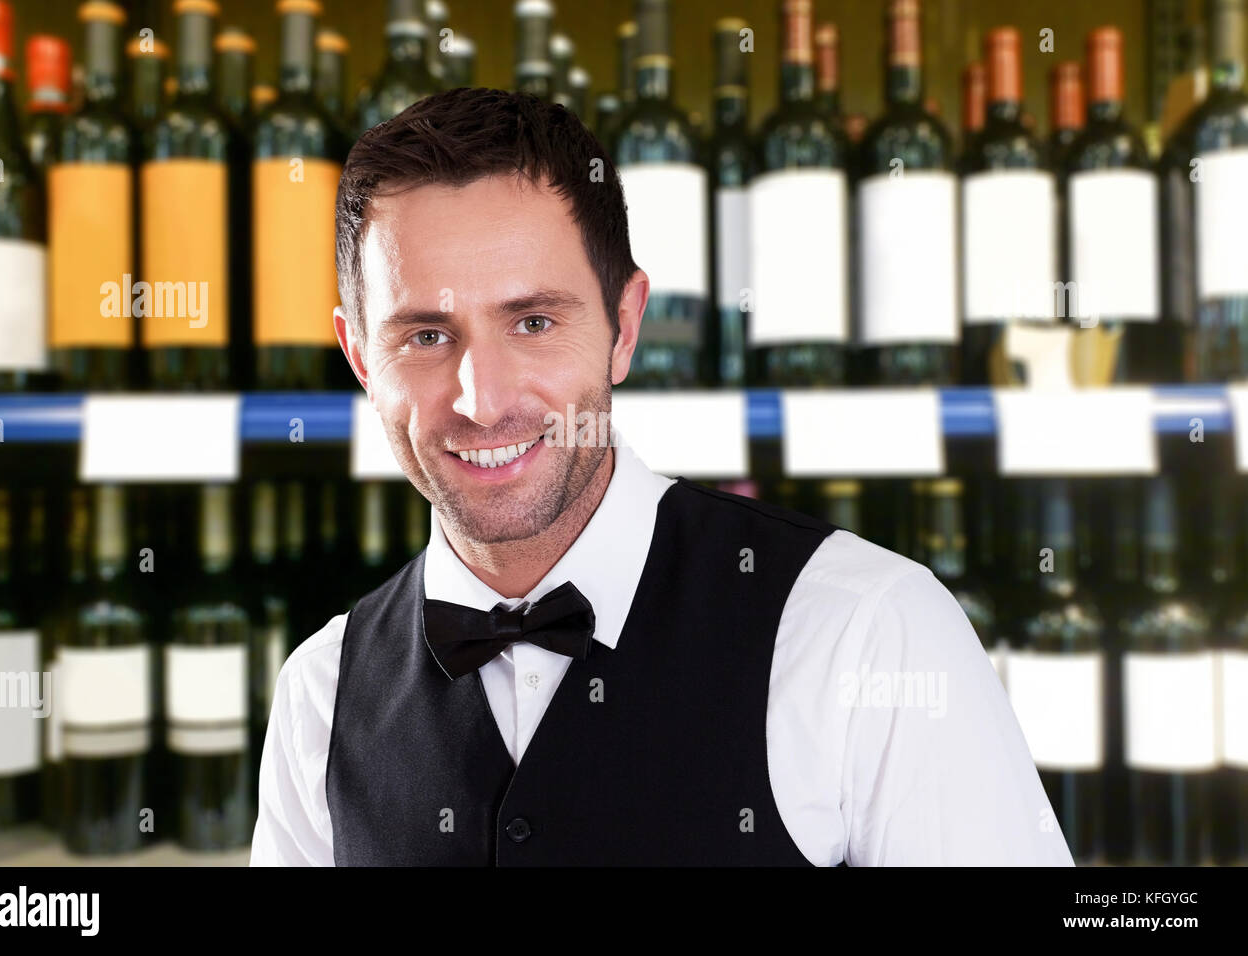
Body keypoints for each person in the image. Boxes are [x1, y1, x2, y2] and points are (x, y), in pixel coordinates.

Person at [249, 87, 1072, 866]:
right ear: (360, 356)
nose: (482, 398)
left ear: (624, 327)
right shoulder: (319, 696)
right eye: (425, 336)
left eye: (533, 322)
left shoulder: (866, 634)